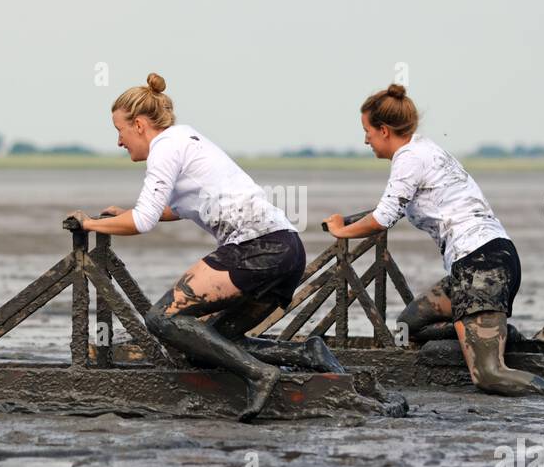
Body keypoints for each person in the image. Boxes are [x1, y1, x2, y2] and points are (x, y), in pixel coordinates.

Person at [67, 73, 345, 421]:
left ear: (138, 125)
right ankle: (308, 354)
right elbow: (178, 208)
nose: (120, 142)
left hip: (256, 247)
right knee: (211, 342)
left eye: (119, 131)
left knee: (162, 319)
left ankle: (259, 374)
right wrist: (124, 213)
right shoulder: (186, 137)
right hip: (287, 248)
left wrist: (89, 223)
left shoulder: (164, 148)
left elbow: (143, 222)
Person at [323, 83, 544, 397]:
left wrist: (341, 231)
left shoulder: (409, 160)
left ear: (385, 131)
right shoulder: (424, 149)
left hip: (483, 266)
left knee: (488, 375)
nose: (365, 139)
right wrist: (347, 220)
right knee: (409, 325)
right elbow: (393, 207)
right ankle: (493, 334)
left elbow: (382, 219)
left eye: (367, 131)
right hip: (478, 262)